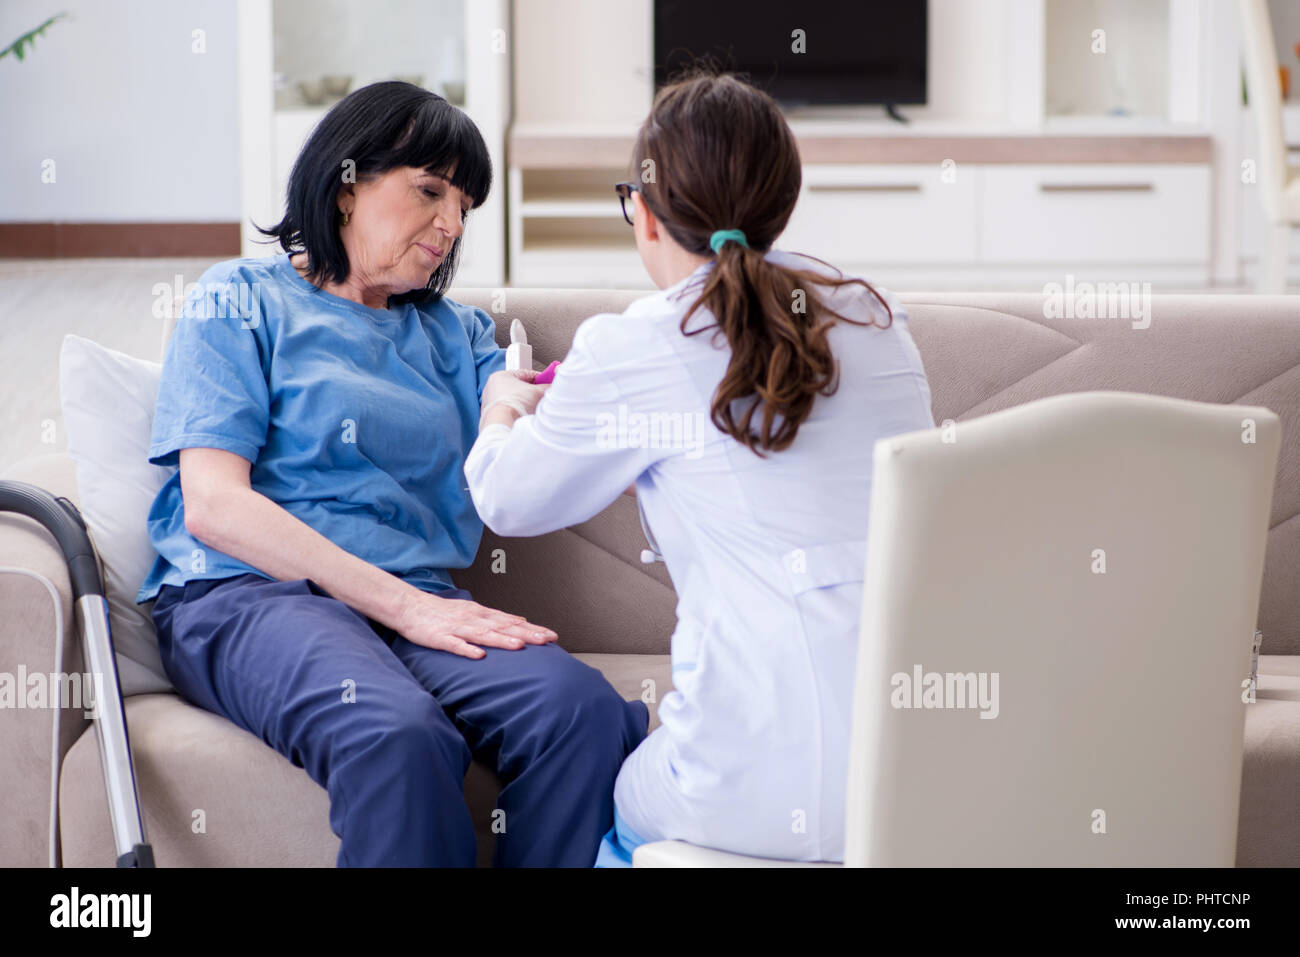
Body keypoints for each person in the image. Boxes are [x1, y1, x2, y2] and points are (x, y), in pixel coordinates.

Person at [136, 82, 648, 867]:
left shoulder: (459, 335)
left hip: (417, 603)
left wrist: (519, 401)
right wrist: (405, 605)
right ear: (346, 185)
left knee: (581, 712)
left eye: (465, 207)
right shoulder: (235, 299)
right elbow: (213, 506)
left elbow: (518, 428)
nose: (452, 225)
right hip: (248, 594)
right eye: (430, 190)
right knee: (396, 735)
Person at [464, 72, 936, 865]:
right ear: (781, 200)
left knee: (623, 797)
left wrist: (501, 408)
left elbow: (506, 500)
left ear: (644, 213)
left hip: (757, 778)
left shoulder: (639, 340)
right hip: (920, 770)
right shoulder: (876, 318)